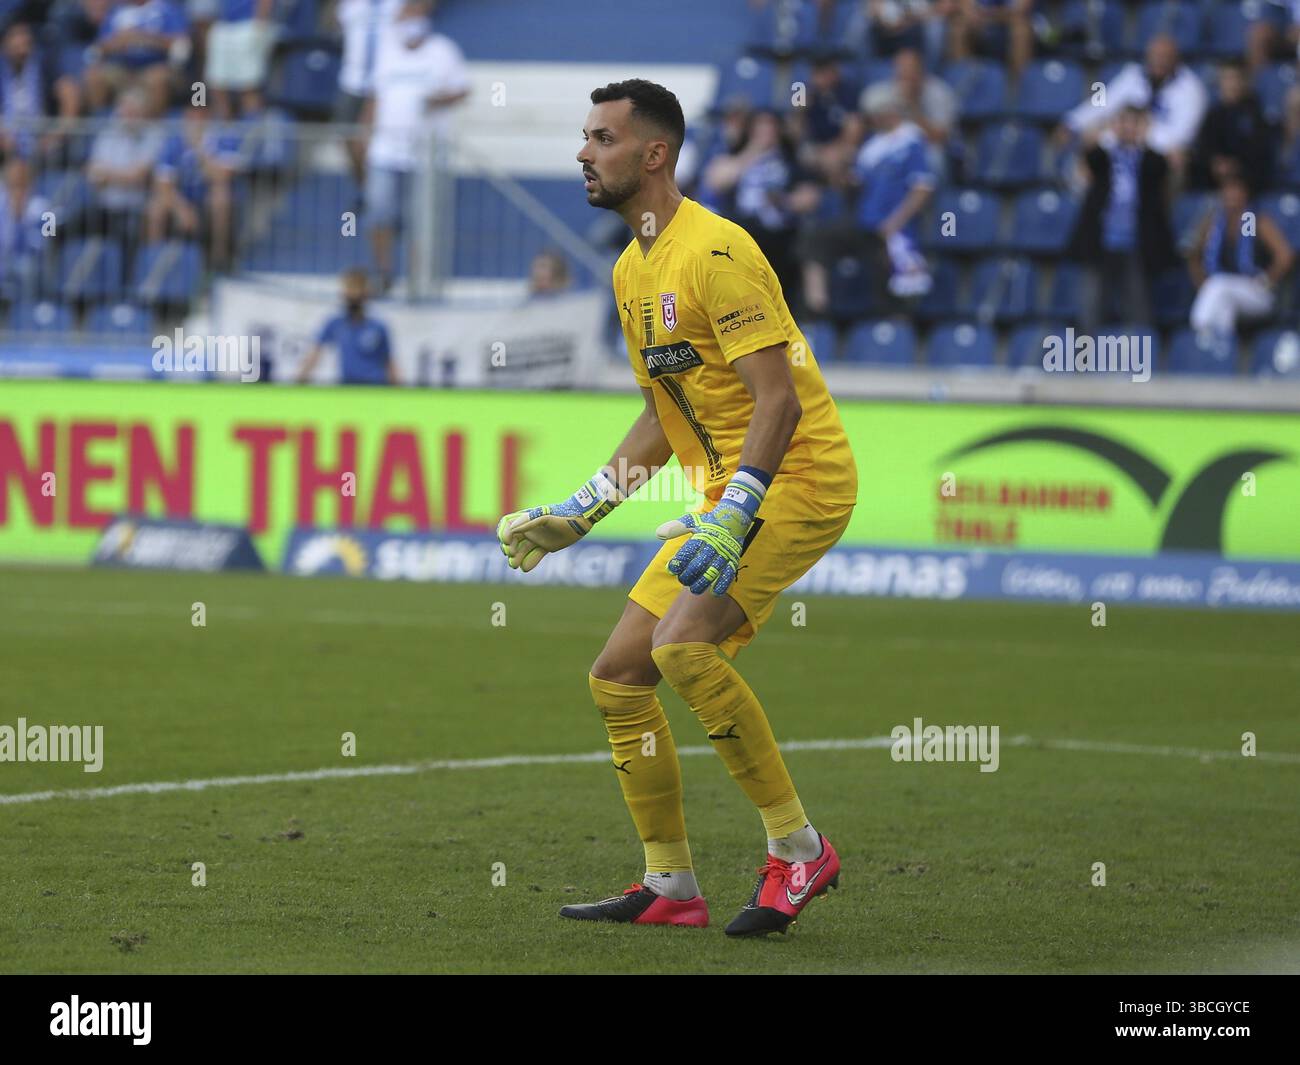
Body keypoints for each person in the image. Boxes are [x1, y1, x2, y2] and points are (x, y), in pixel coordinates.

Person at [497, 79, 857, 936]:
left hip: (794, 480)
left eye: (602, 138)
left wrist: (733, 516)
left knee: (682, 645)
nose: (584, 152)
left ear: (653, 154)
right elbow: (666, 413)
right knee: (619, 676)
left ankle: (800, 849)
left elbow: (779, 403)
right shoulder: (631, 269)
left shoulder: (716, 253)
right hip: (727, 495)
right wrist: (583, 509)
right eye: (585, 137)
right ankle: (670, 884)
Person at [799, 86, 936, 314]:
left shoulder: (911, 139)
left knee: (887, 268)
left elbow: (922, 188)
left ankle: (893, 323)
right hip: (864, 221)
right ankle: (817, 309)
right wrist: (839, 167)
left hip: (894, 224)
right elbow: (854, 185)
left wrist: (895, 222)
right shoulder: (872, 146)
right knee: (814, 238)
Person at [365, 0, 469, 290]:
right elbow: (374, 95)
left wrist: (437, 100)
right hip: (384, 150)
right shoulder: (387, 51)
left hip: (425, 154)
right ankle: (383, 273)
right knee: (379, 212)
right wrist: (366, 133)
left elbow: (463, 89)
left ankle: (417, 277)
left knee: (420, 219)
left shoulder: (443, 51)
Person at [1065, 105, 1178, 333]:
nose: (1128, 128)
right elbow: (1090, 155)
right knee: (1091, 305)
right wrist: (1106, 133)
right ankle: (1083, 362)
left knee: (1138, 306)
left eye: (1133, 123)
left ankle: (1142, 361)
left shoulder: (1149, 160)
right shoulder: (1104, 159)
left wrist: (1145, 139)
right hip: (1101, 241)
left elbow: (1161, 168)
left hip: (1136, 243)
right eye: (1123, 122)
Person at [1059, 34, 1206, 172]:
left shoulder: (1191, 88)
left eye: (1164, 57)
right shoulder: (1132, 75)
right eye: (1155, 56)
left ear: (1176, 59)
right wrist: (1073, 122)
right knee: (1090, 138)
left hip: (1160, 153)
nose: (1159, 61)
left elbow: (1182, 136)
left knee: (1176, 156)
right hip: (1123, 141)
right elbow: (1103, 102)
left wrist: (1141, 133)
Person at [1188, 170, 1295, 345]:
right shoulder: (1214, 222)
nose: (1230, 195)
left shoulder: (1254, 221)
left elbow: (1285, 256)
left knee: (1218, 286)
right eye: (1226, 190)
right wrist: (1201, 282)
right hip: (1223, 290)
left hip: (1256, 290)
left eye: (1235, 190)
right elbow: (1193, 255)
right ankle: (1221, 351)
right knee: (1223, 304)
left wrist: (1267, 279)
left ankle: (1198, 336)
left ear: (1245, 194)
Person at [84, 0, 189, 116]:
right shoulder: (116, 10)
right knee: (94, 76)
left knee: (157, 79)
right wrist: (117, 43)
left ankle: (154, 128)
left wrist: (148, 39)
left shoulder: (166, 9)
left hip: (155, 66)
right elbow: (98, 48)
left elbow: (182, 45)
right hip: (122, 68)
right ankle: (99, 124)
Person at [297, 269, 397, 384]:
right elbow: (314, 356)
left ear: (366, 293)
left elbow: (389, 363)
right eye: (348, 290)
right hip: (348, 389)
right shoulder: (336, 323)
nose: (352, 295)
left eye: (356, 290)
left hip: (374, 390)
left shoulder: (378, 326)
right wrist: (298, 382)